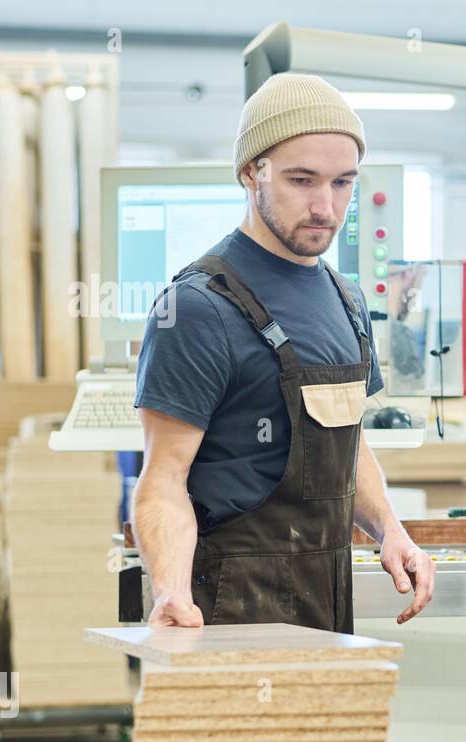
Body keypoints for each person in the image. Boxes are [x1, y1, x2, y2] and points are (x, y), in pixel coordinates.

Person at [132, 72, 434, 631]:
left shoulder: (347, 300)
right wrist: (170, 589)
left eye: (343, 183)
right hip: (227, 606)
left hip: (326, 592)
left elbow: (349, 442)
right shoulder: (199, 306)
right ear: (251, 172)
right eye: (302, 180)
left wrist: (390, 528)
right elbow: (163, 479)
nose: (325, 206)